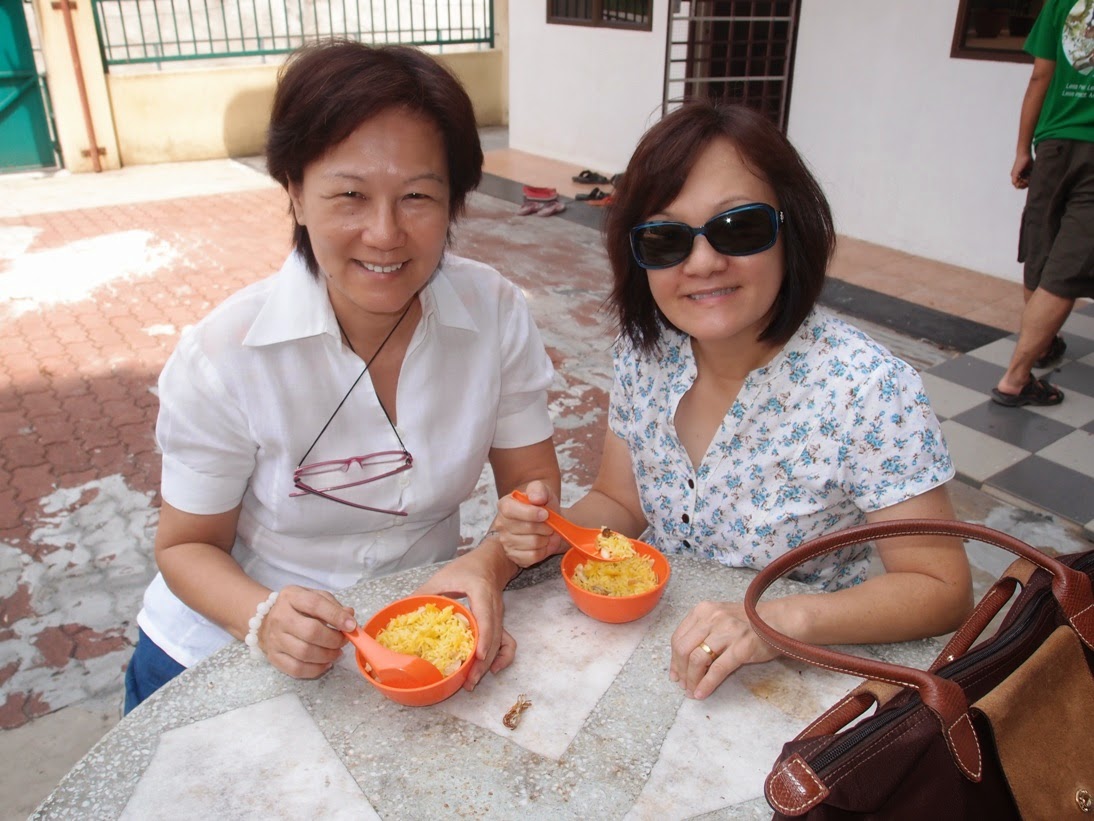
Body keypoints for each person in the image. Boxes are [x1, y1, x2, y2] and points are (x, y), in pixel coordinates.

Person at [123, 40, 560, 712]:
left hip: (414, 643)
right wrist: (261, 615)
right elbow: (185, 546)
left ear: (454, 203)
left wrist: (495, 557)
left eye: (417, 196)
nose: (385, 234)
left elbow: (533, 487)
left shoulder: (495, 311)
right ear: (295, 193)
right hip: (214, 653)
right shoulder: (225, 353)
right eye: (350, 195)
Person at [494, 102, 972, 701]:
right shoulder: (646, 354)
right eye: (667, 238)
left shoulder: (867, 390)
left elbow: (940, 585)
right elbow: (620, 500)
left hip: (799, 684)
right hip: (662, 655)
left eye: (738, 228)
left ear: (789, 230)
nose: (702, 263)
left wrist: (780, 621)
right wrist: (555, 531)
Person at [992, 0, 1094, 407]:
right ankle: (1016, 380)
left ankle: (1045, 343)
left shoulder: (1062, 2)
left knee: (1042, 246)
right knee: (1068, 265)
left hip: (1053, 145)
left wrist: (1022, 150)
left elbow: (1040, 77)